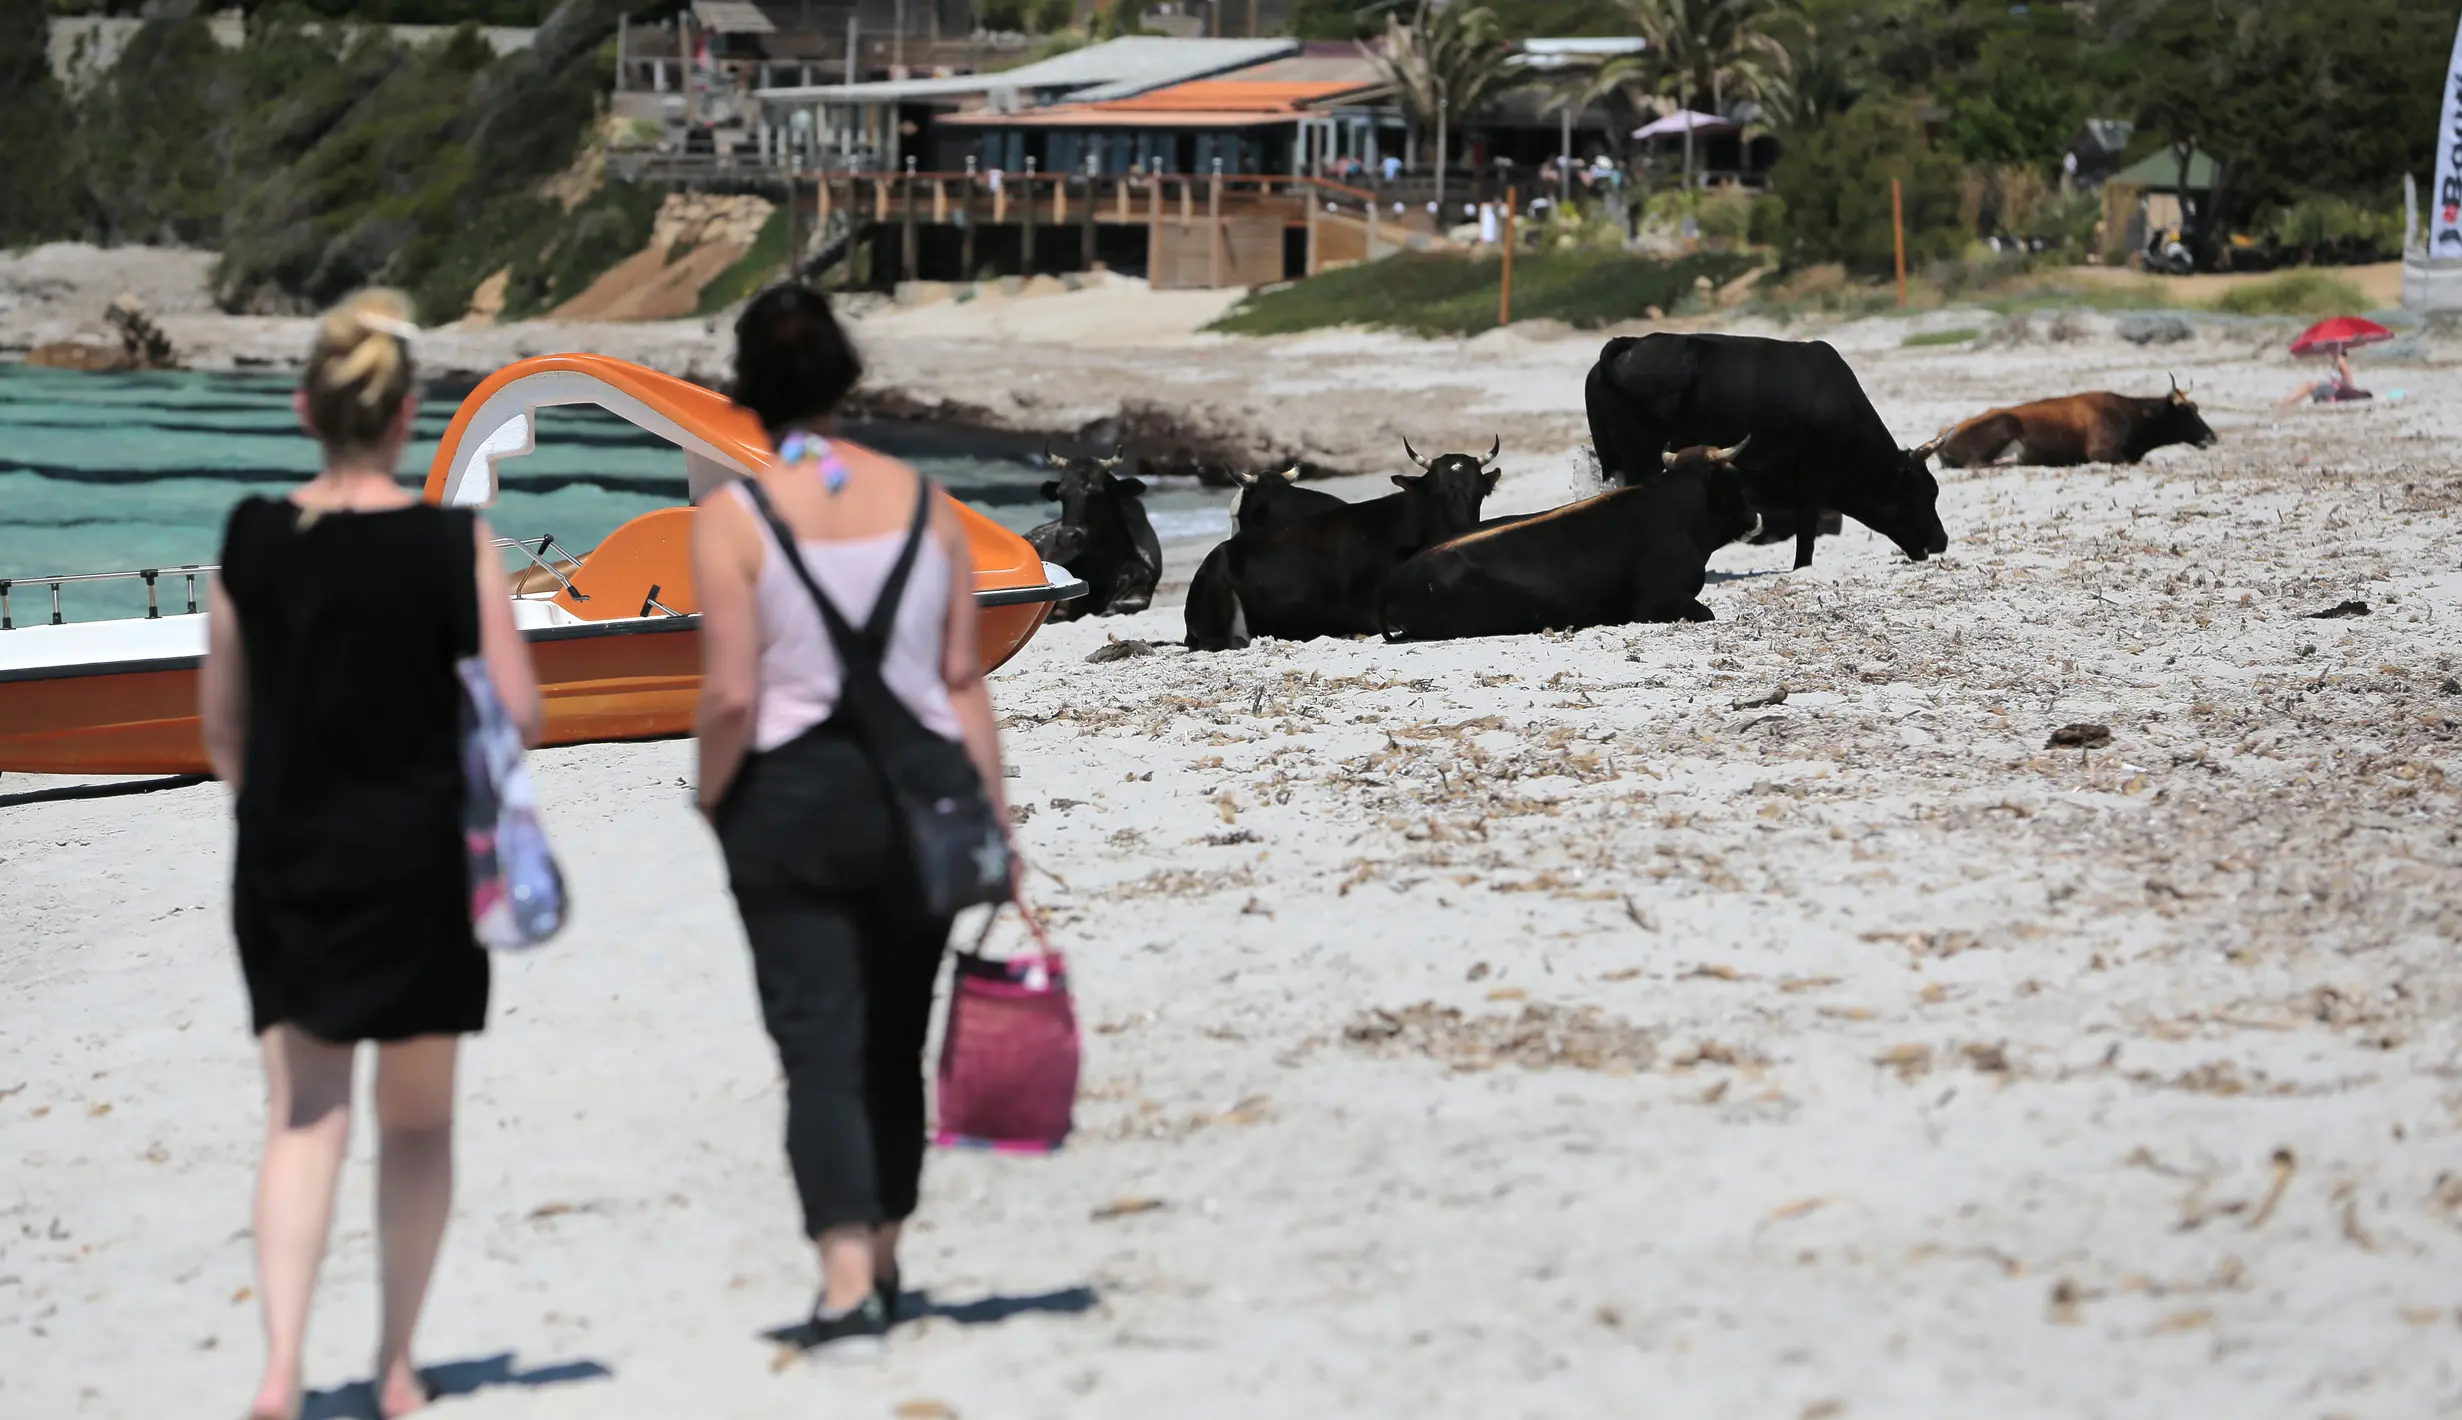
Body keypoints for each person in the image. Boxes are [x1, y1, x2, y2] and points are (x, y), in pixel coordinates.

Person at [200, 290, 542, 1420]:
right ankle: (396, 1369)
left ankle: (280, 1369)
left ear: (306, 410)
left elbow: (225, 734)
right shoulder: (454, 545)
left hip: (290, 861)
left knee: (304, 1116)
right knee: (418, 1121)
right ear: (405, 418)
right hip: (423, 861)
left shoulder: (249, 537)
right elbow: (521, 710)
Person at [691, 284, 1018, 1358]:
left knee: (817, 1042)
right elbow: (960, 678)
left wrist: (710, 788)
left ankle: (842, 1282)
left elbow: (732, 695)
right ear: (844, 378)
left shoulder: (733, 519)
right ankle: (884, 1253)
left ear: (746, 390)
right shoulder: (925, 506)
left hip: (787, 802)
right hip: (916, 797)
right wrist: (995, 821)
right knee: (892, 1037)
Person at [2278, 349, 2372, 406]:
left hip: (2337, 392)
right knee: (2309, 385)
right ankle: (2288, 401)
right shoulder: (2336, 361)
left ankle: (2286, 402)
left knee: (2308, 385)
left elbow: (2349, 384)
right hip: (2334, 391)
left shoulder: (2341, 361)